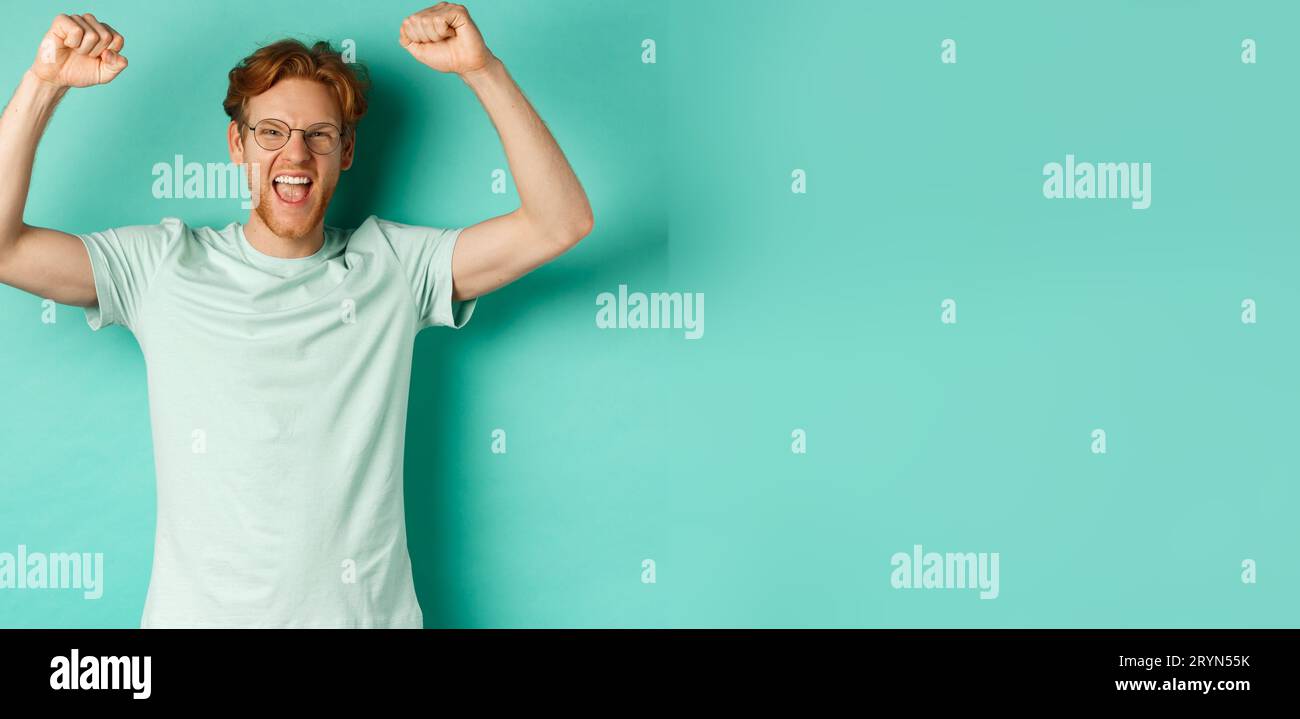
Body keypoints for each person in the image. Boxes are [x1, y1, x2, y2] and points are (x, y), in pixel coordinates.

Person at [0, 4, 593, 628]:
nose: (296, 155)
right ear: (238, 143)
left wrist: (482, 69)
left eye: (319, 135)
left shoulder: (394, 266)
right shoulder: (161, 267)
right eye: (272, 132)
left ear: (346, 151)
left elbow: (562, 222)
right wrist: (44, 84)